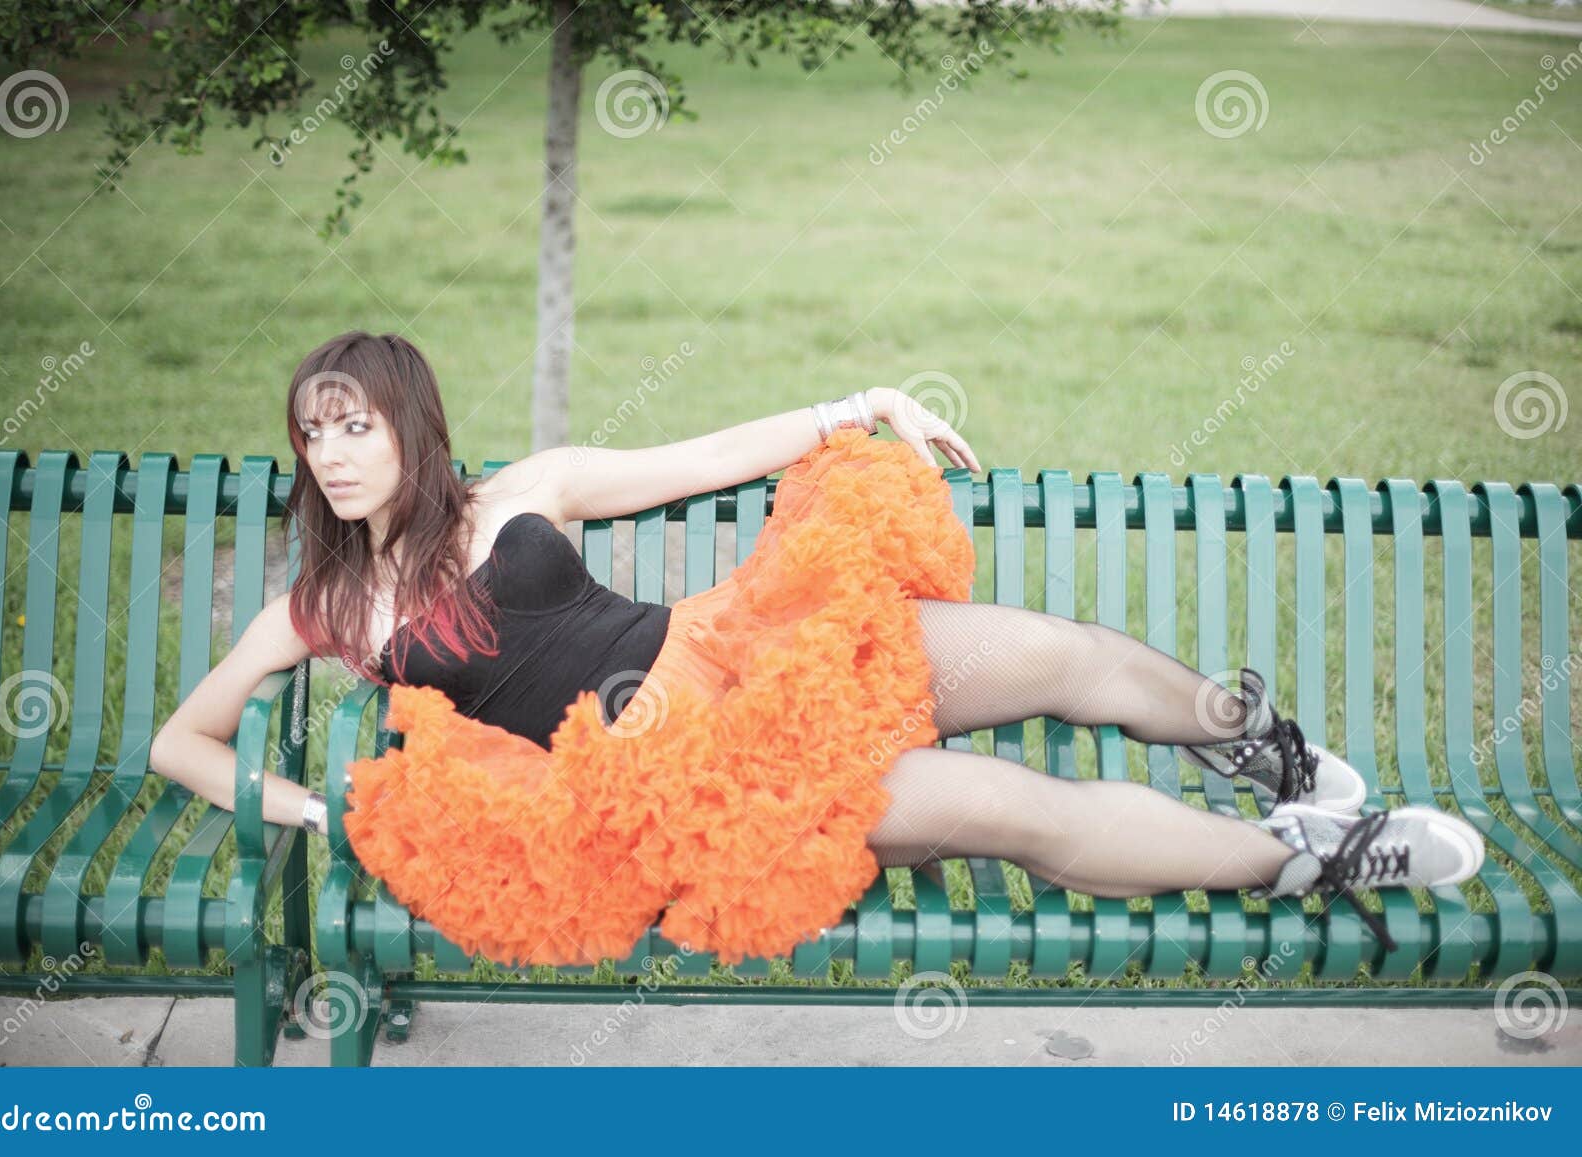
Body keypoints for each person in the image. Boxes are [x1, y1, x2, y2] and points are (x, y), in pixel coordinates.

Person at [150, 330, 1484, 967]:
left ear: (410, 426)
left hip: (744, 643)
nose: (331, 455)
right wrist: (327, 809)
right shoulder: (330, 610)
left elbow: (701, 456)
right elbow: (180, 740)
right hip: (687, 776)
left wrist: (865, 402)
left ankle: (1260, 750)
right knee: (1008, 806)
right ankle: (1309, 856)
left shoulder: (520, 491)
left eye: (354, 426)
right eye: (313, 433)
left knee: (1055, 649)